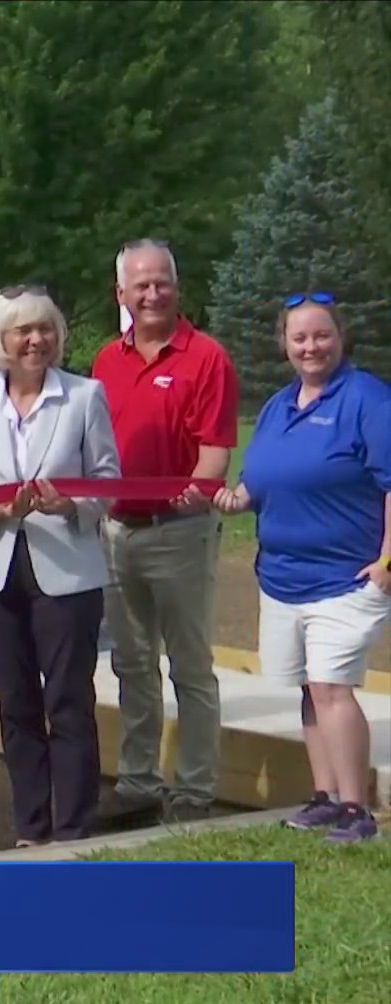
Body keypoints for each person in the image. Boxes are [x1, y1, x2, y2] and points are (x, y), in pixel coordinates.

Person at [214, 294, 390, 843]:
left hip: (346, 579)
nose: (310, 347)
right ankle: (326, 798)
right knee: (309, 692)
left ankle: (359, 812)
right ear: (285, 345)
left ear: (340, 338)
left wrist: (387, 561)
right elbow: (259, 482)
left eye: (321, 336)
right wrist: (236, 499)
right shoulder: (278, 406)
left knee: (332, 687)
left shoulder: (369, 400)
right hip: (282, 579)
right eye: (299, 338)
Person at [0, 287, 119, 846]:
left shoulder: (85, 396)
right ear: (1, 340)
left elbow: (106, 481)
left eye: (45, 329)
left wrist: (71, 504)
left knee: (68, 701)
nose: (36, 340)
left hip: (65, 566)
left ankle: (73, 826)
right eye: (23, 330)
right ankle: (31, 825)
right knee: (15, 703)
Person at [91, 239, 239, 823]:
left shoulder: (206, 358)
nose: (153, 294)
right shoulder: (106, 361)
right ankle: (139, 783)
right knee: (131, 665)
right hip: (116, 532)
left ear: (177, 288)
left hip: (179, 531)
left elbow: (215, 451)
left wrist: (195, 493)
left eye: (162, 283)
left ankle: (197, 790)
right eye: (141, 285)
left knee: (190, 666)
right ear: (121, 294)